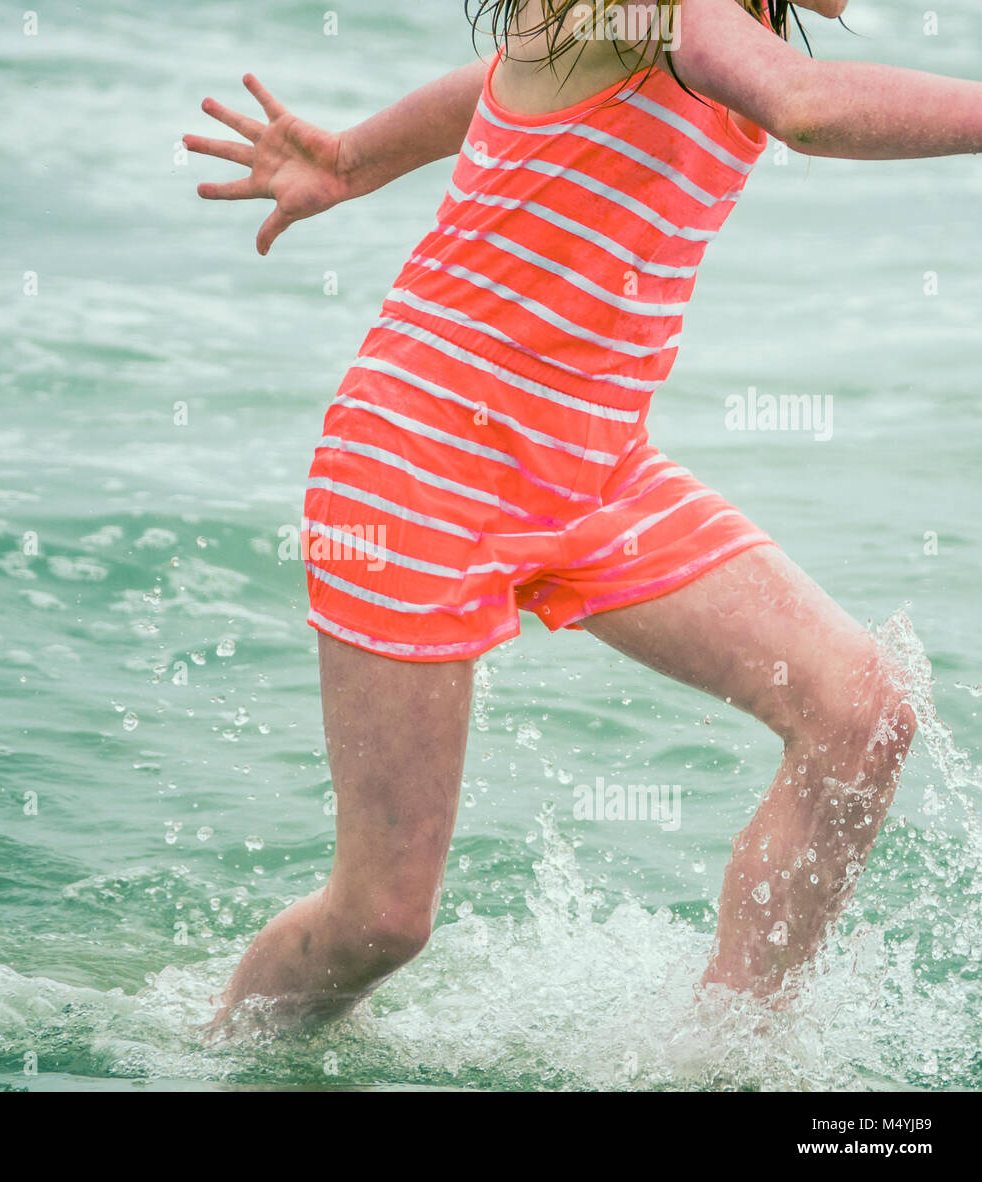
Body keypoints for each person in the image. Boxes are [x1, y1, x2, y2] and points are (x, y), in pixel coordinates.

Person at [182, 0, 978, 1031]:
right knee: (380, 920)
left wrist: (353, 157)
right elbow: (802, 107)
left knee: (861, 714)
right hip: (419, 461)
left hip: (593, 471)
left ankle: (725, 1058)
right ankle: (218, 1054)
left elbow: (505, 77)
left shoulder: (677, 30)